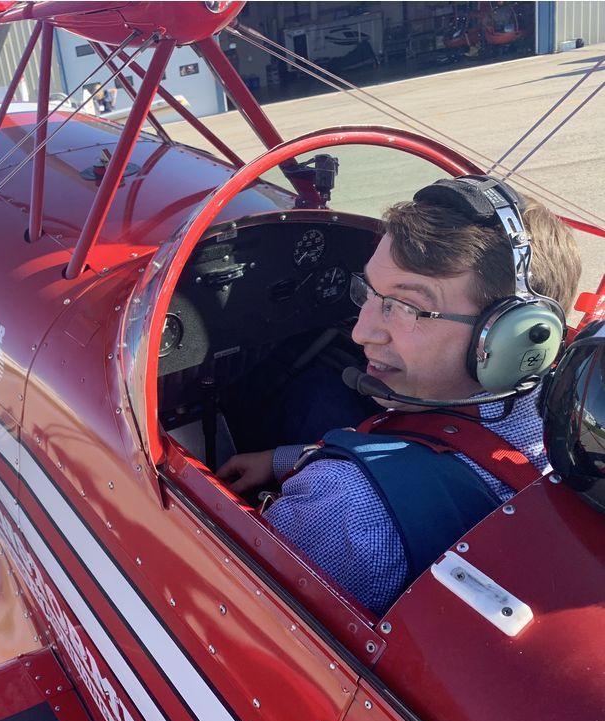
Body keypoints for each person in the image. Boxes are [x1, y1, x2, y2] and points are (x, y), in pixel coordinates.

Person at [217, 177, 581, 614]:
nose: (361, 331)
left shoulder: (343, 508)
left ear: (510, 337)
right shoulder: (574, 410)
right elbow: (436, 452)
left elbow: (245, 612)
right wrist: (282, 458)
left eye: (406, 307)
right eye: (369, 293)